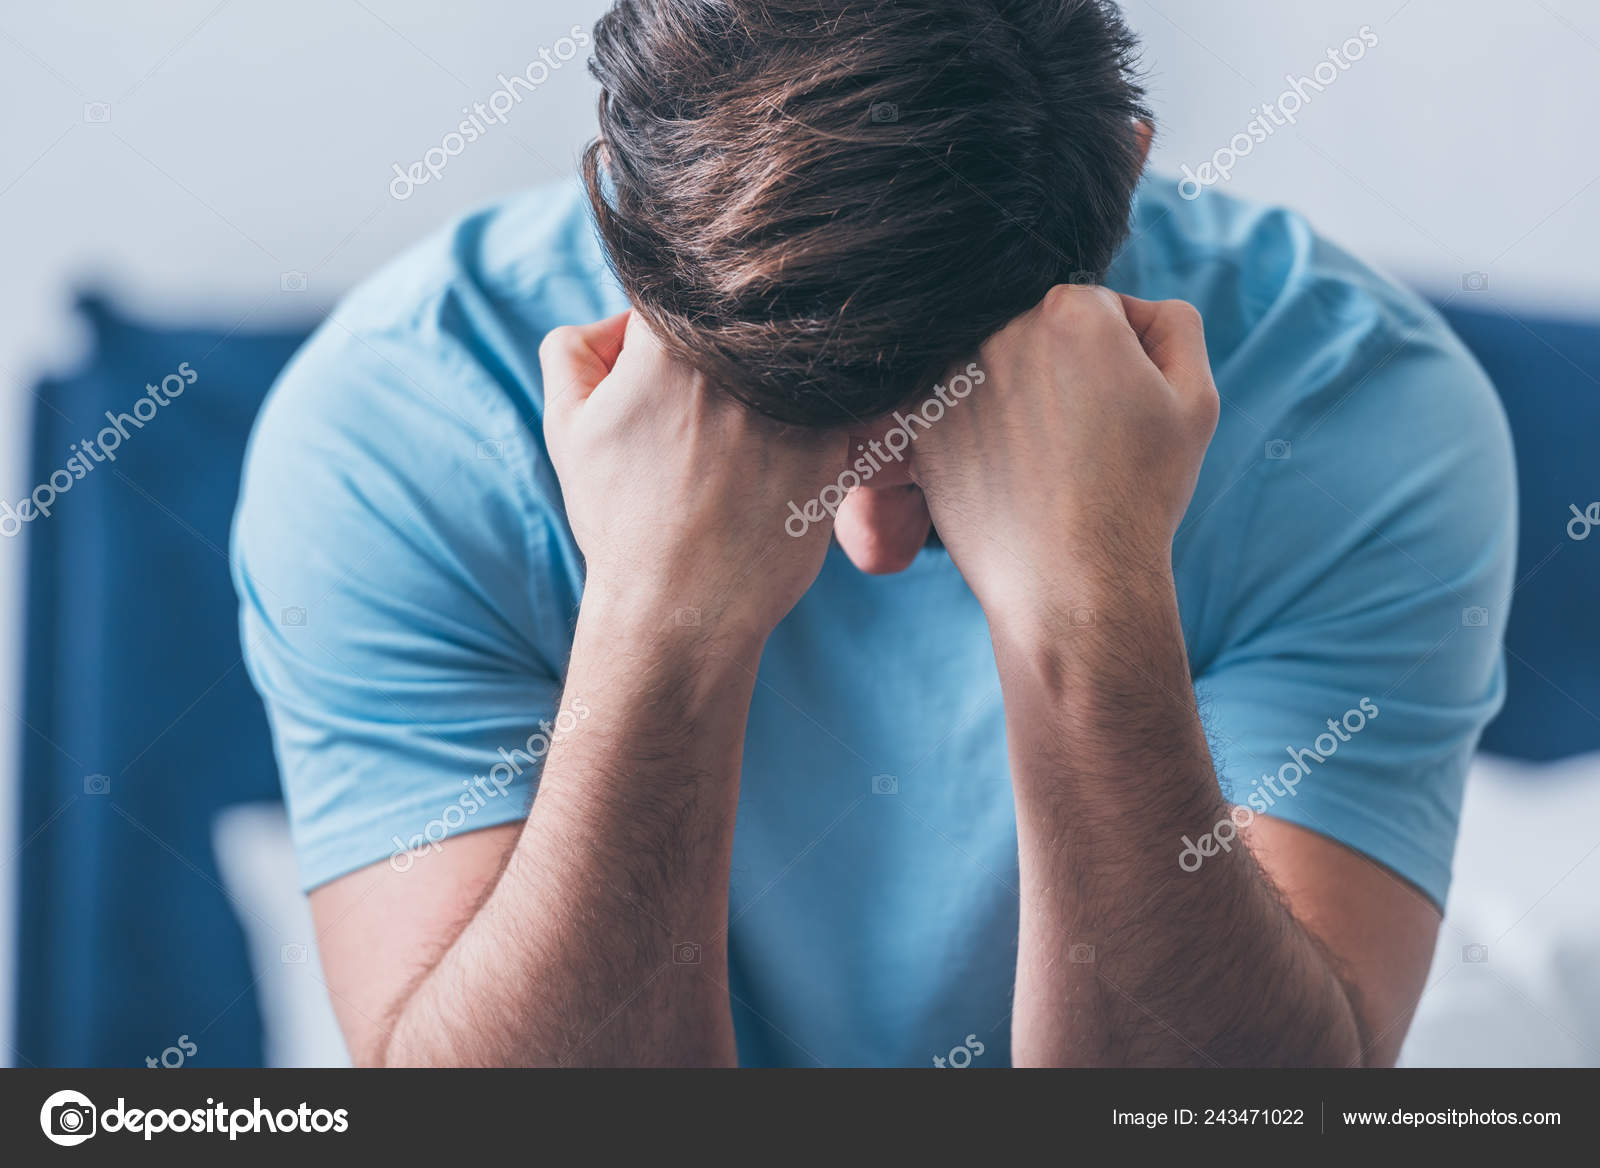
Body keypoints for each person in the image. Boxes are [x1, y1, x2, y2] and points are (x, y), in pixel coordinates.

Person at [231, 0, 1515, 1066]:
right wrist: (658, 625)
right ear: (629, 203)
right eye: (785, 415)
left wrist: (1090, 605)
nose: (870, 547)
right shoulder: (398, 426)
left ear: (1121, 174)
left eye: (942, 427)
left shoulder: (1363, 411)